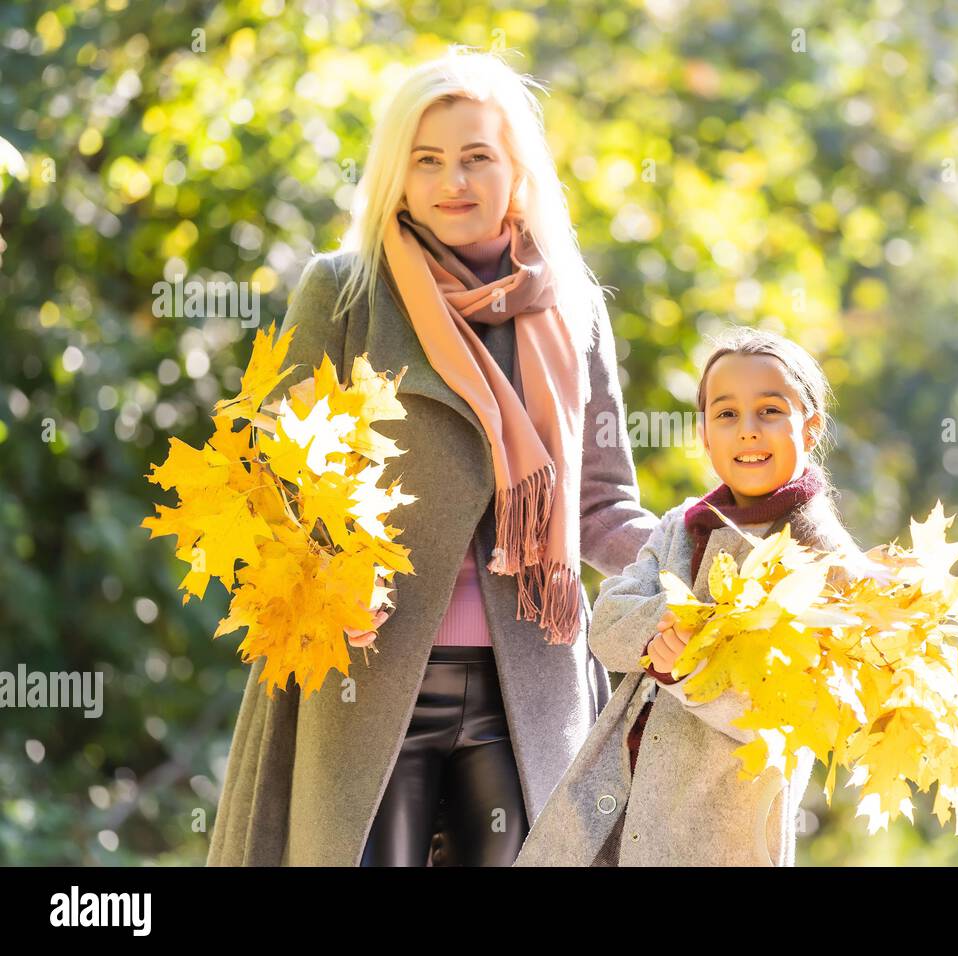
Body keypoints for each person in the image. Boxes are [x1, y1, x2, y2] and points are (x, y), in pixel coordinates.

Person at [207, 46, 657, 867]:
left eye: (477, 157)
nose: (454, 180)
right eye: (429, 161)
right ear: (399, 176)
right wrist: (324, 572)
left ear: (515, 170)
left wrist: (695, 565)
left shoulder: (573, 309)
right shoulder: (344, 291)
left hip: (529, 685)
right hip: (367, 679)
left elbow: (602, 507)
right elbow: (271, 478)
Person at [514, 326, 872, 866]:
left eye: (771, 411)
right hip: (607, 818)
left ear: (811, 425)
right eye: (726, 415)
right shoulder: (681, 525)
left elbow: (792, 722)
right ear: (705, 434)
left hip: (716, 839)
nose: (747, 431)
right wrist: (704, 622)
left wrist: (695, 669)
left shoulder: (826, 563)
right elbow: (609, 626)